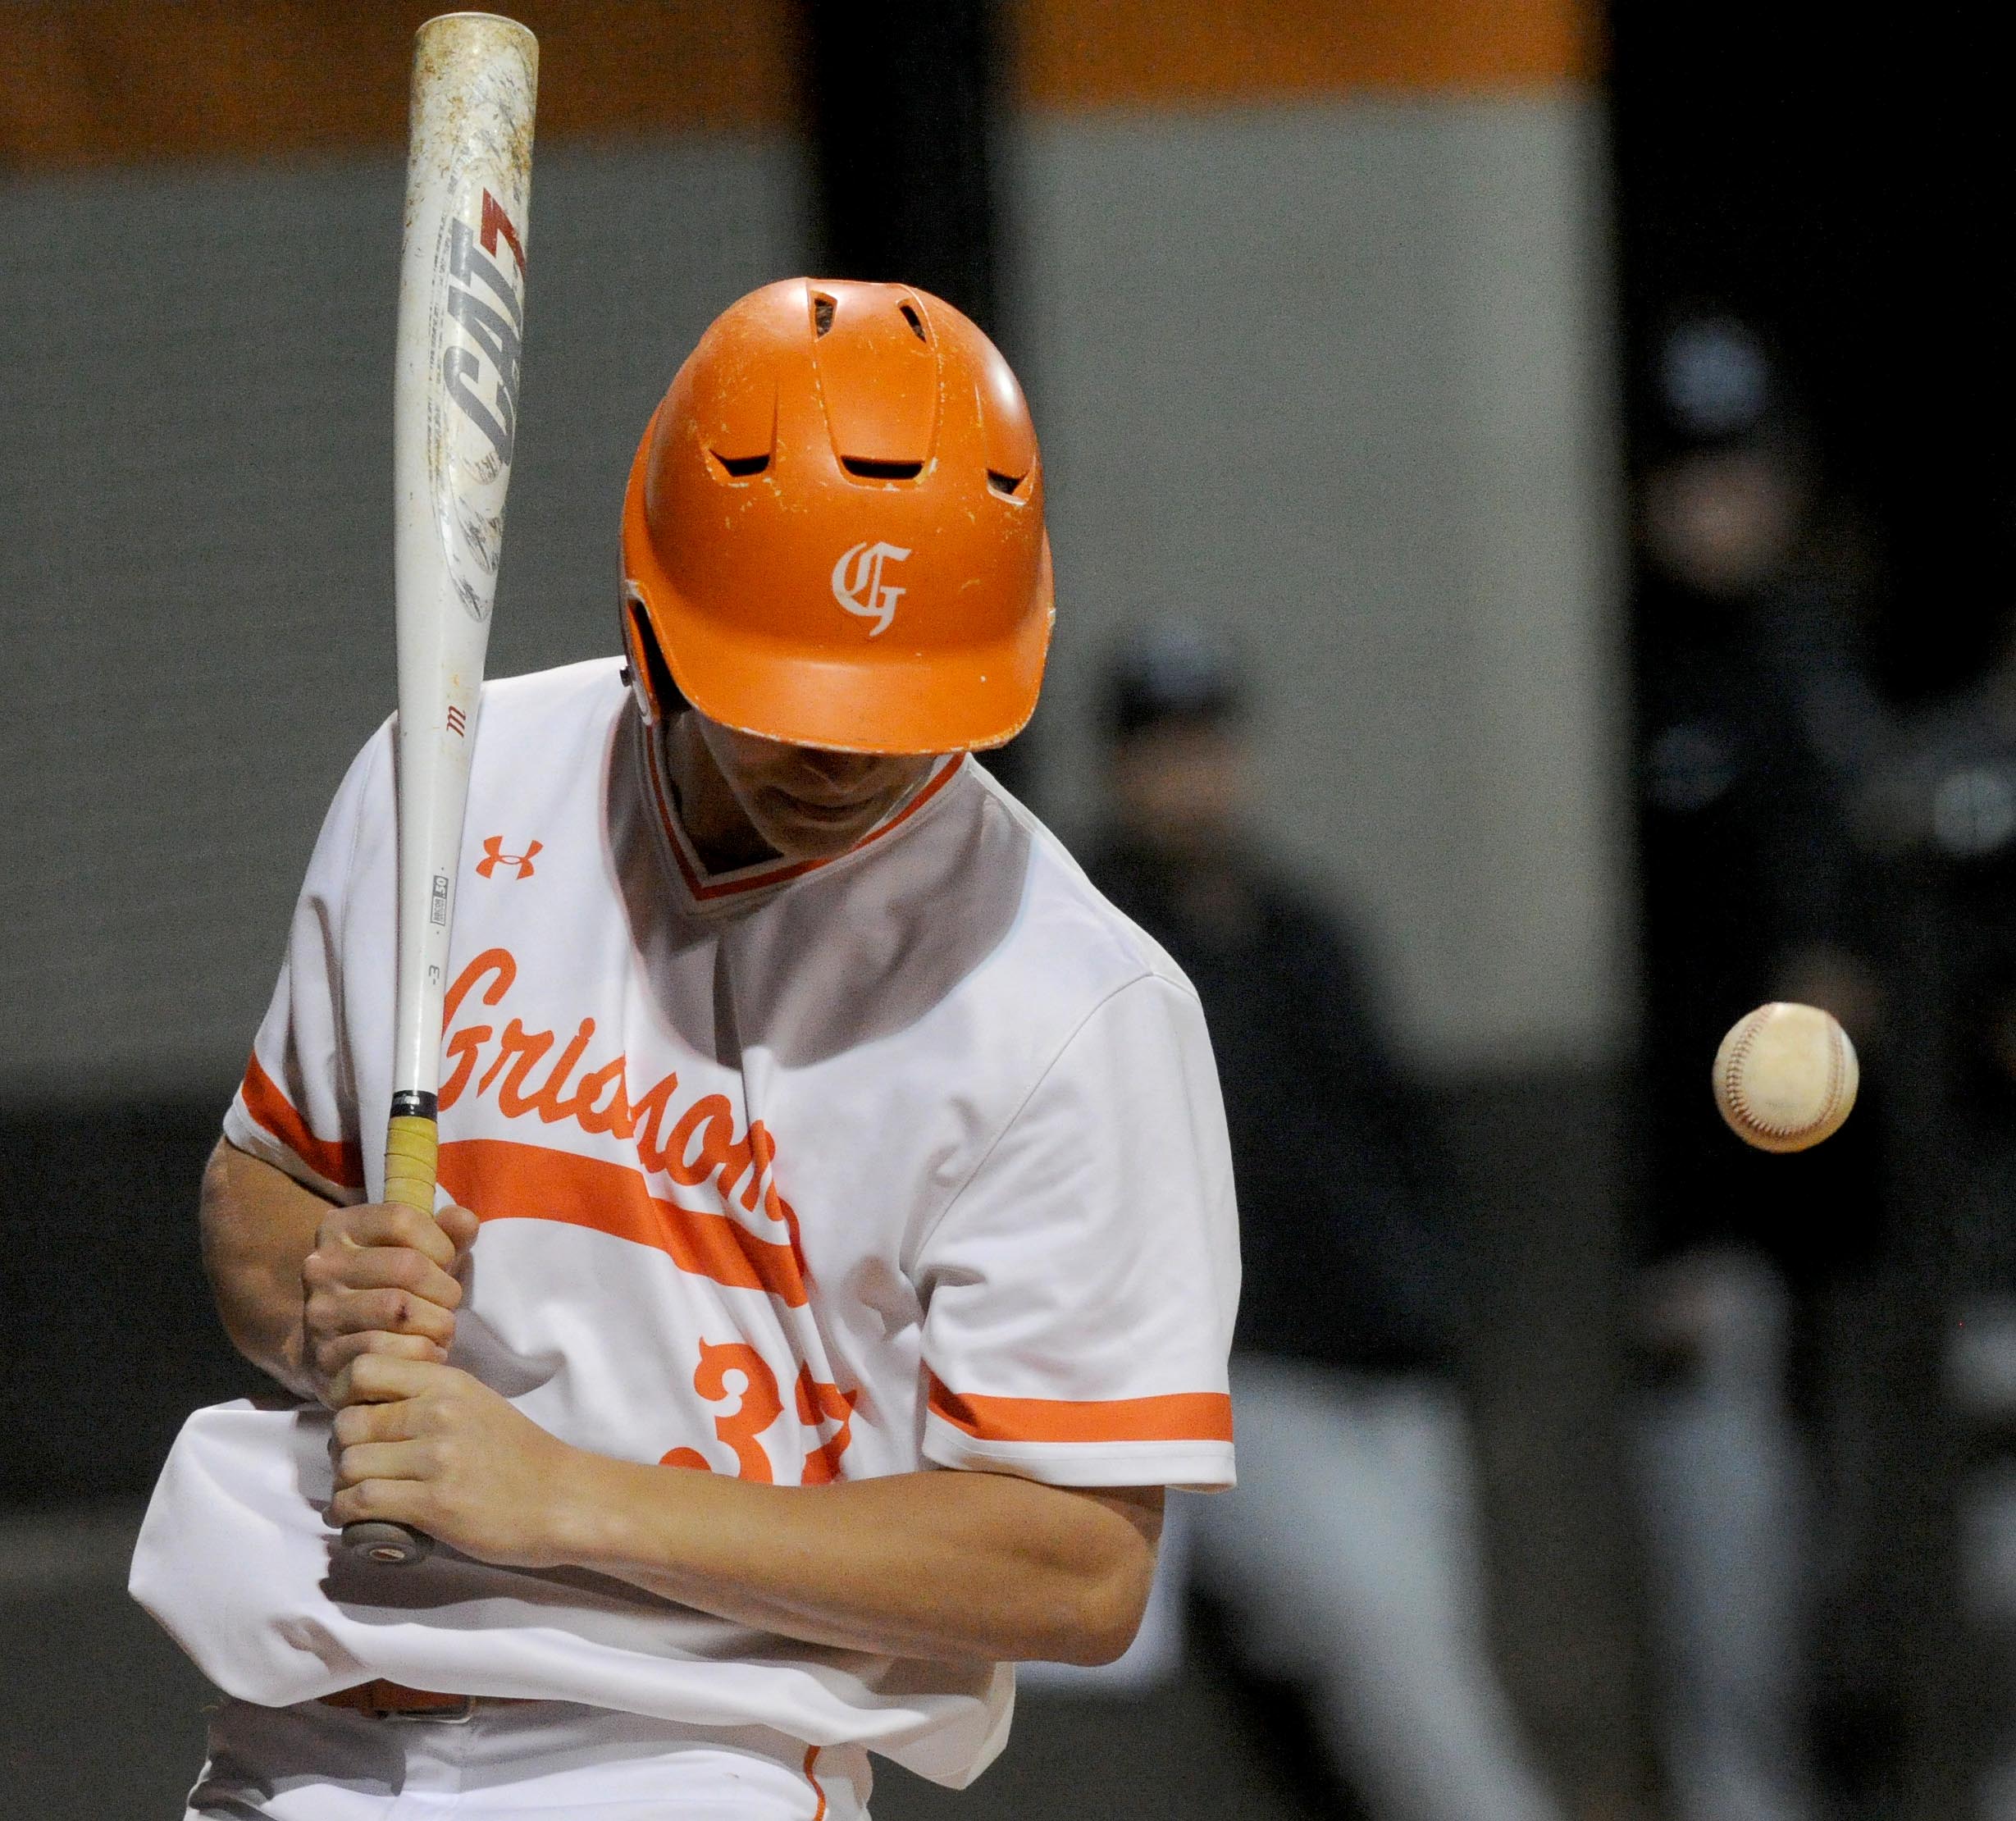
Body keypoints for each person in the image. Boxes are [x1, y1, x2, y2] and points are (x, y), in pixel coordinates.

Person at [130, 280, 1240, 1821]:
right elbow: (261, 1192)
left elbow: (1075, 1569)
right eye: (792, 693)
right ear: (651, 615)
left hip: (678, 1757)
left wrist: (569, 1501)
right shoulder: (449, 779)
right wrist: (320, 1299)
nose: (847, 753)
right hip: (296, 1735)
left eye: (904, 698)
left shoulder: (1078, 1008)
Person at [1080, 624, 1563, 1821]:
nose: (1190, 775)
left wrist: (1429, 1293)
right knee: (1402, 1662)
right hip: (1245, 1390)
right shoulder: (1098, 939)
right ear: (1120, 766)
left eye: (1206, 744)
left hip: (1388, 1368)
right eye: (1161, 749)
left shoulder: (1303, 926)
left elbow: (1399, 1137)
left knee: (1416, 1673)